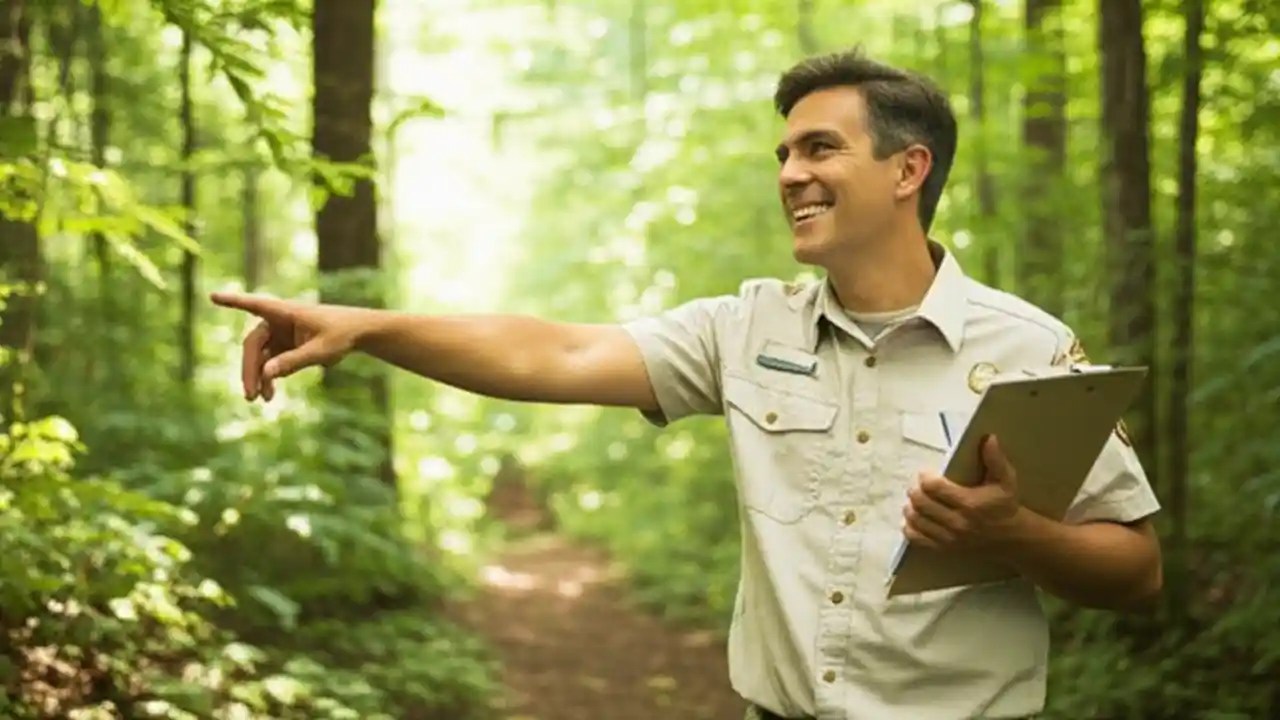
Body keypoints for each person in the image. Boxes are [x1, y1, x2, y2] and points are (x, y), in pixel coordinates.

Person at [212, 48, 1162, 720]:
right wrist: (367, 330)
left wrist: (1016, 535)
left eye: (819, 149)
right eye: (784, 155)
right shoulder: (745, 328)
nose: (790, 174)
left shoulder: (1030, 349)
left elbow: (1136, 571)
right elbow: (557, 353)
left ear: (909, 168)